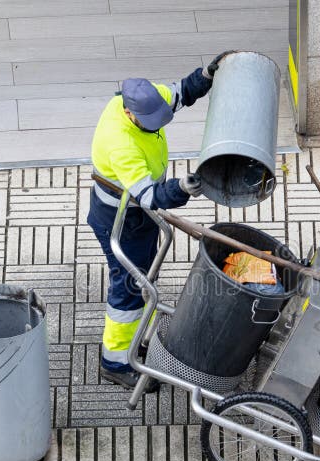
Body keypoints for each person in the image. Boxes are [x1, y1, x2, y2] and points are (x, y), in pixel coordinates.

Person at [88, 52, 233, 389]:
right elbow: (151, 197)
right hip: (122, 221)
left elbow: (179, 92)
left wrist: (206, 76)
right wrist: (182, 187)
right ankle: (117, 363)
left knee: (140, 280)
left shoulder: (143, 96)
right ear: (129, 112)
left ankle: (132, 342)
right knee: (128, 289)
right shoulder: (120, 142)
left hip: (139, 217)